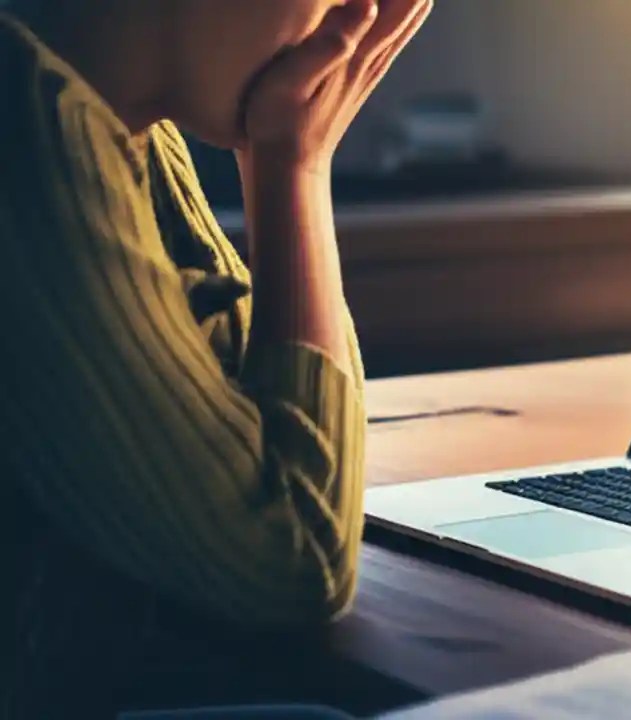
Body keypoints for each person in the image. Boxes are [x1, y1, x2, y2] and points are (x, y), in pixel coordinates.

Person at [0, 0, 431, 716]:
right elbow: (292, 557)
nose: (356, 23)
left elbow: (254, 417)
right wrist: (294, 166)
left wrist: (286, 151)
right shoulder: (28, 128)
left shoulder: (124, 124)